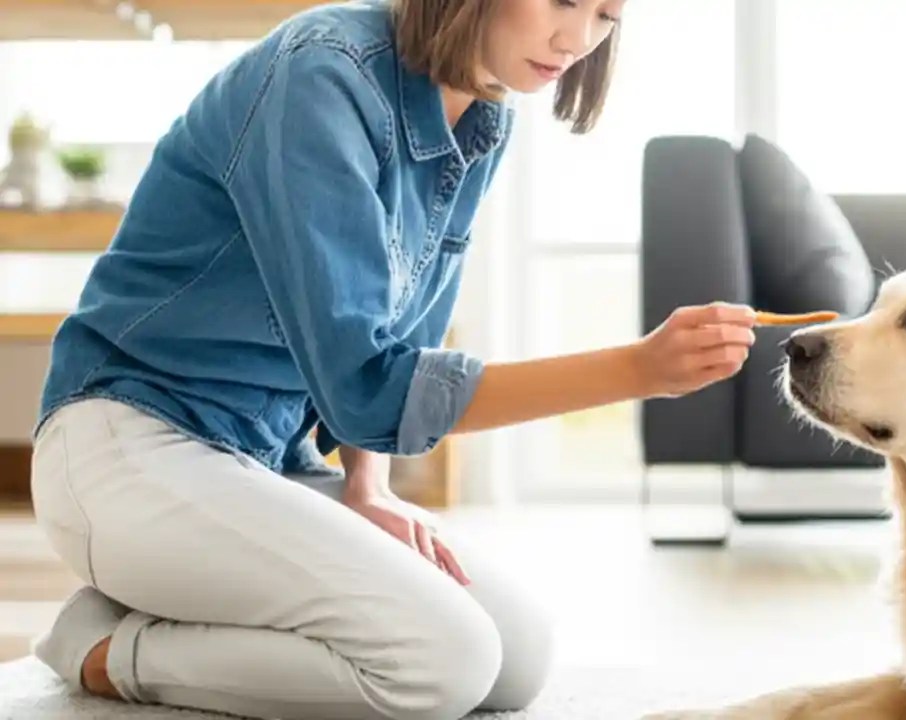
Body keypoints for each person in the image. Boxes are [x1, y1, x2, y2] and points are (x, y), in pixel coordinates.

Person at [26, 1, 758, 719]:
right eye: (563, 0)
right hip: (126, 449)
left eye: (607, 16)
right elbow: (370, 388)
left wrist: (366, 486)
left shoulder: (484, 113)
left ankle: (166, 586)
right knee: (441, 662)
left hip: (262, 463)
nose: (578, 39)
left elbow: (400, 337)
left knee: (516, 655)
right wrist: (638, 371)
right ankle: (105, 649)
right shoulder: (323, 73)